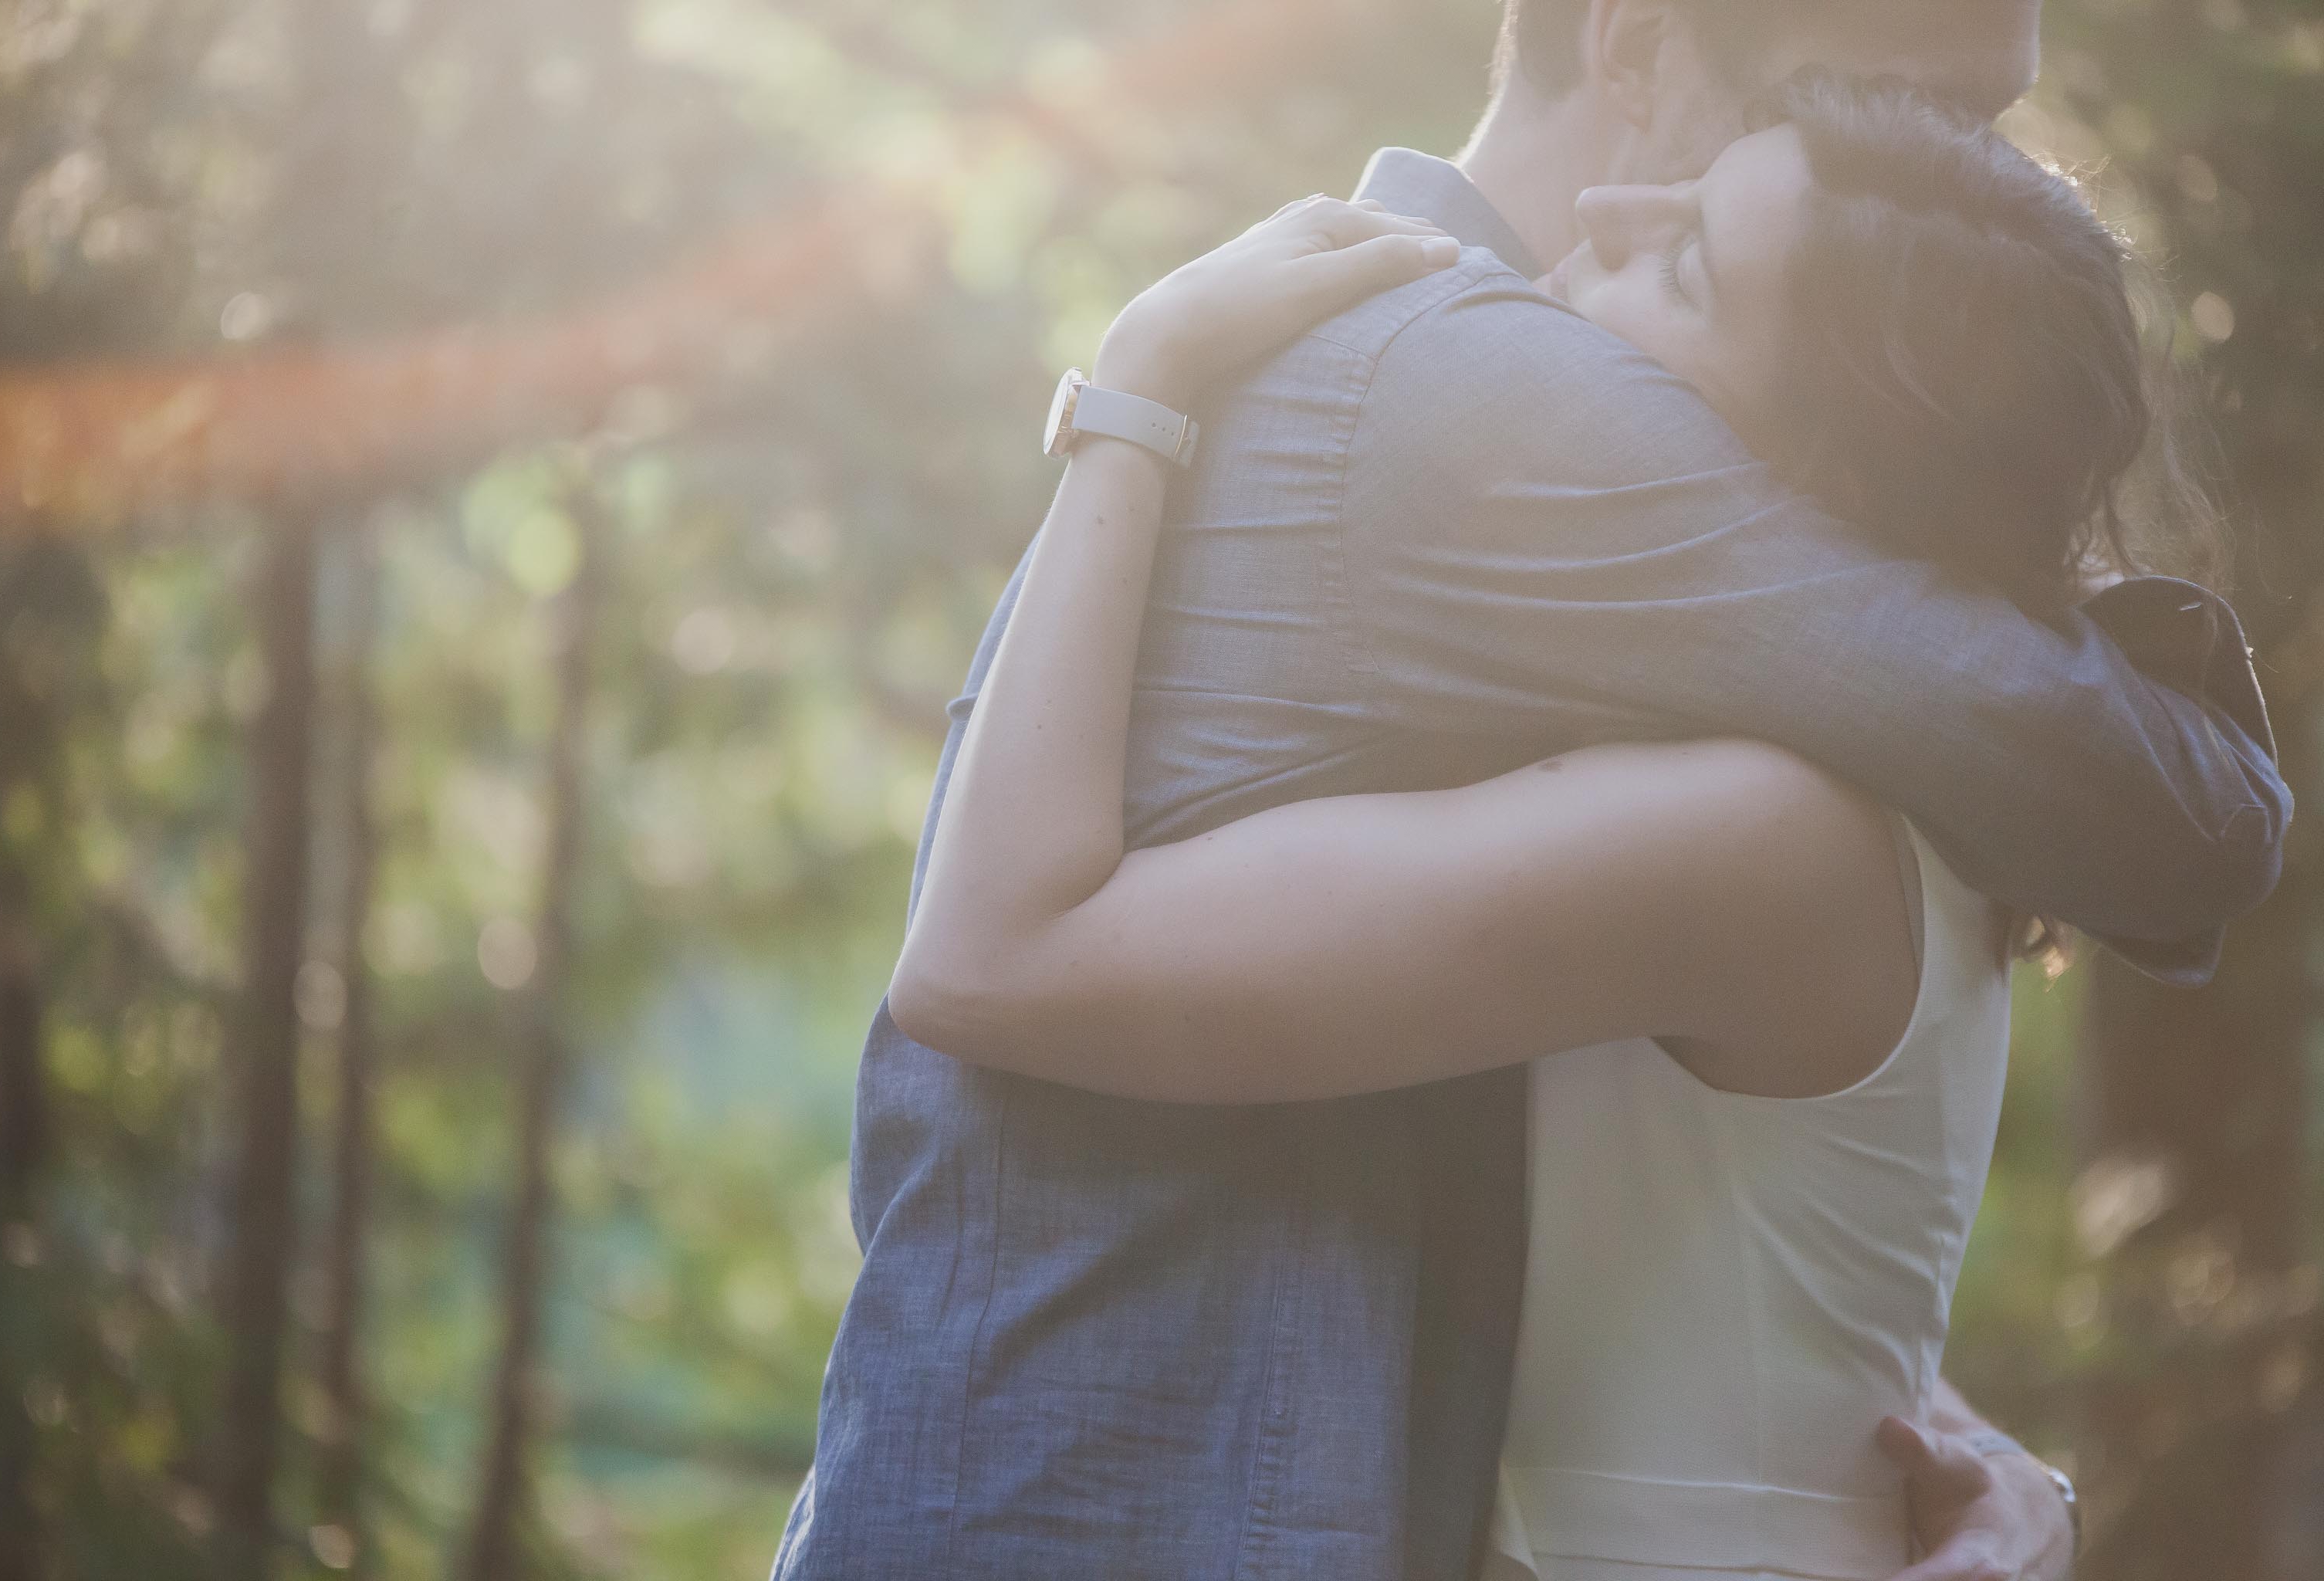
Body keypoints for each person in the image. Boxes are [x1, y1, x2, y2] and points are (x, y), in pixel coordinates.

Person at [774, 5, 2287, 1579]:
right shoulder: (1495, 391)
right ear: (1633, 53)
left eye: (1991, 125)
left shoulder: (1432, 376)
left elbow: (1703, 1188)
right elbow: (2160, 806)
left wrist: (1896, 1415)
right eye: (1895, 104)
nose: (1956, 172)